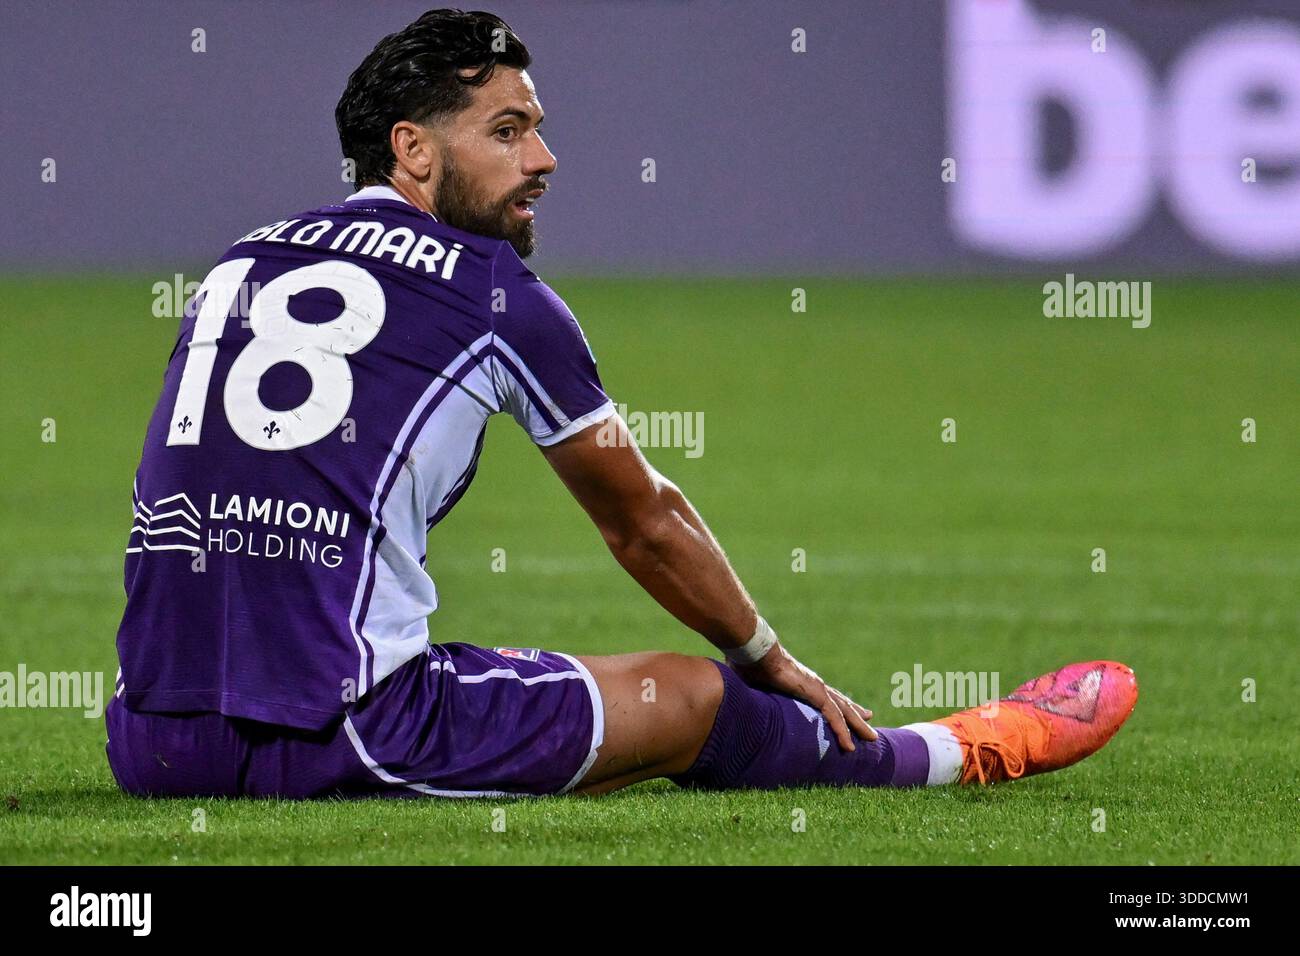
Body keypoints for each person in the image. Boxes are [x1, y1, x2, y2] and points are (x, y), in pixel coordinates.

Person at [106, 9, 1137, 800]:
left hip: (147, 737)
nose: (543, 161)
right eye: (507, 131)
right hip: (354, 729)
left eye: (539, 130)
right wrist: (768, 658)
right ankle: (952, 751)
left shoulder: (238, 263)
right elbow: (643, 522)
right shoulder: (500, 295)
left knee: (546, 705)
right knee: (691, 699)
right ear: (413, 150)